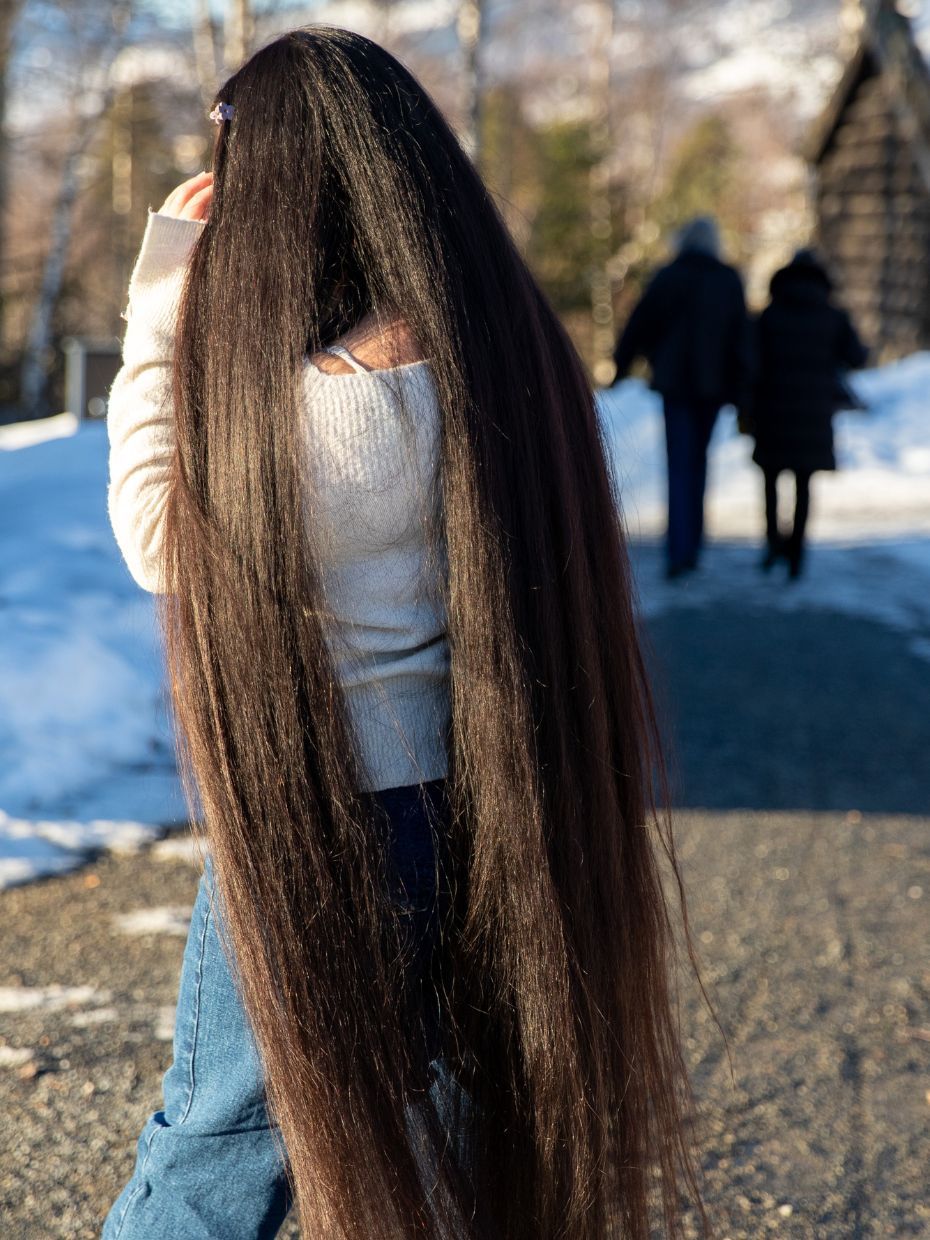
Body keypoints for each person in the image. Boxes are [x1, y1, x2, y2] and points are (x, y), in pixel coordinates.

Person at [103, 28, 706, 1240]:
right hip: (495, 803)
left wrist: (160, 309)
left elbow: (156, 539)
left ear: (283, 195)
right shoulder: (507, 358)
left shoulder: (323, 408)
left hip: (330, 826)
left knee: (212, 1162)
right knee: (448, 1144)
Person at [612, 216, 752, 579]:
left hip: (675, 385)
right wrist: (740, 389)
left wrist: (621, 366)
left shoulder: (669, 276)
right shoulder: (727, 279)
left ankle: (679, 549)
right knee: (699, 462)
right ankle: (693, 546)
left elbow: (640, 324)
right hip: (712, 387)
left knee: (679, 464)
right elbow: (741, 338)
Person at [751, 248, 867, 580]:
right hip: (813, 414)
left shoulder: (770, 316)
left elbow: (752, 362)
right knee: (803, 483)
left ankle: (773, 543)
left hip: (773, 410)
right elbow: (857, 357)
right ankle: (797, 555)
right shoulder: (833, 317)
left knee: (771, 479)